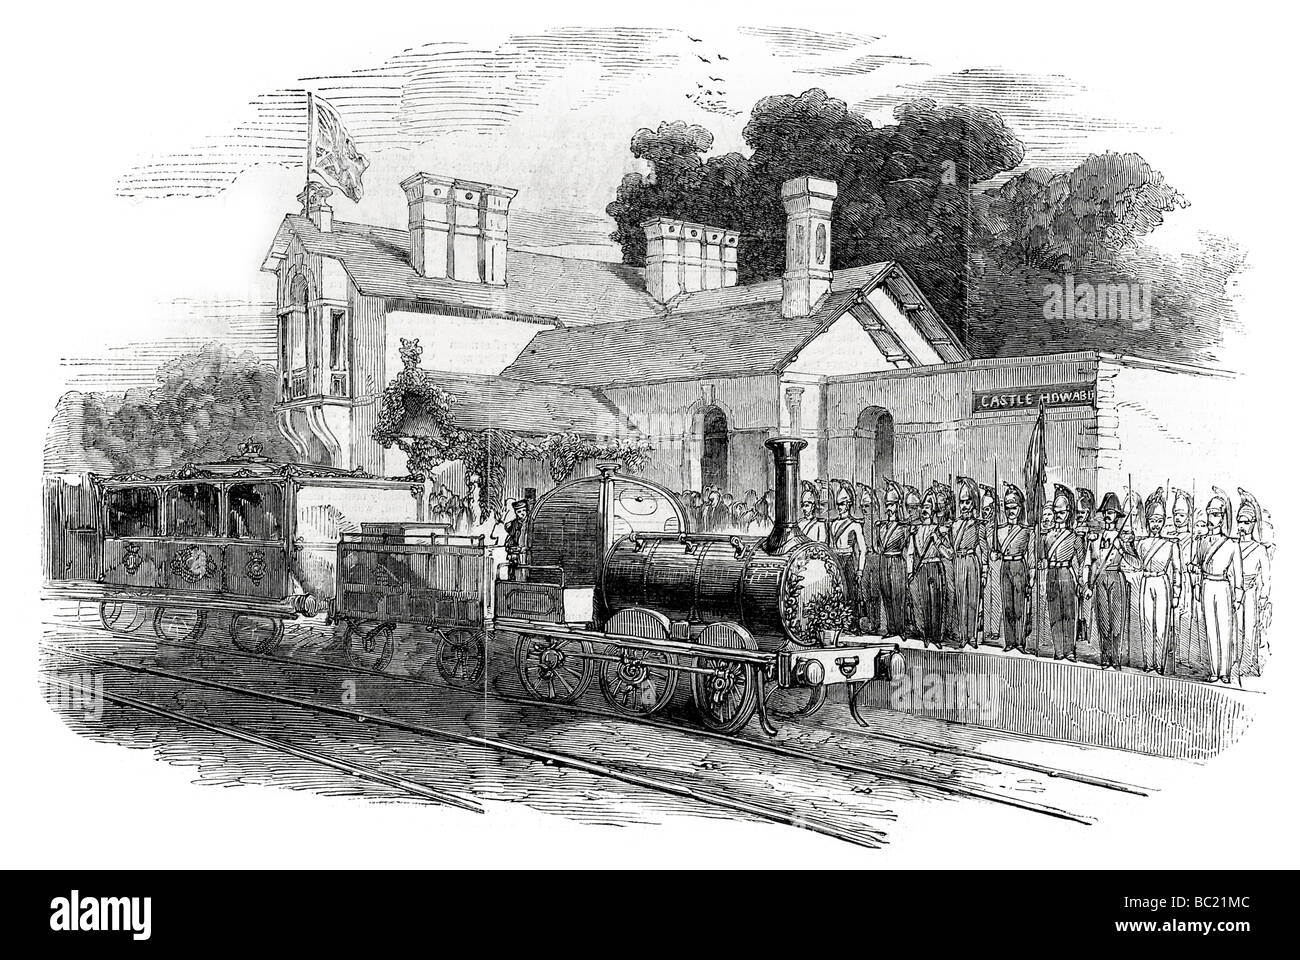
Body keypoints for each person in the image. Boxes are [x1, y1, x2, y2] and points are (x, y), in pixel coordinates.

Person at [1191, 488, 1244, 684]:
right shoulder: (1201, 542)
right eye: (1209, 513)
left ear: (1222, 518)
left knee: (1225, 630)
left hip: (1223, 586)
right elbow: (1196, 566)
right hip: (1206, 585)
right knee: (1211, 630)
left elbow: (1237, 574)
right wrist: (1196, 582)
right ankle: (1214, 670)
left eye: (1215, 514)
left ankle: (1225, 672)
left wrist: (1238, 595)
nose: (1211, 518)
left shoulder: (1231, 544)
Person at [1132, 488, 1182, 675]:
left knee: (1161, 625)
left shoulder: (1171, 544)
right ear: (1147, 520)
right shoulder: (1141, 543)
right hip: (1146, 582)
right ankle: (1149, 662)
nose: (1156, 524)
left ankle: (1159, 664)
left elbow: (1177, 571)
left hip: (1162, 582)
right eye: (1153, 520)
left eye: (1159, 520)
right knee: (1146, 623)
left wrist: (1176, 593)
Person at [1040, 485, 1089, 662]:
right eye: (1055, 512)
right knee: (1054, 614)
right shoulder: (1047, 536)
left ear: (1068, 513)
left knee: (1069, 613)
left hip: (1067, 574)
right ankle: (1059, 650)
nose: (1058, 515)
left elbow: (1081, 562)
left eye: (1061, 512)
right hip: (1051, 574)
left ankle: (1069, 651)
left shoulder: (1074, 536)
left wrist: (1082, 582)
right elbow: (1042, 558)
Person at [1088, 491, 1136, 670]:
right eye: (1106, 512)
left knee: (1116, 621)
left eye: (1112, 512)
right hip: (1100, 578)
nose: (1108, 516)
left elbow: (1135, 562)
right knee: (1103, 620)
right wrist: (1089, 584)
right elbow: (1092, 562)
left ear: (1117, 516)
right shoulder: (1095, 538)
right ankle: (1105, 657)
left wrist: (1123, 547)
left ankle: (1115, 658)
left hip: (1116, 577)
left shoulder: (1122, 537)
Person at [910, 482, 954, 648]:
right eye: (923, 506)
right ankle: (926, 636)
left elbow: (949, 553)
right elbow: (910, 552)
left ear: (934, 509)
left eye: (928, 506)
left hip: (936, 567)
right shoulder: (916, 530)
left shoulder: (940, 529)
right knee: (923, 603)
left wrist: (937, 540)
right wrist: (909, 572)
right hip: (922, 568)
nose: (924, 510)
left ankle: (937, 637)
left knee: (937, 603)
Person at [1235, 489, 1271, 678]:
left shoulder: (1259, 549)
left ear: (1253, 524)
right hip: (1233, 591)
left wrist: (1263, 596)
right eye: (1239, 522)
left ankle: (1246, 664)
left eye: (1246, 522)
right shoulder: (1232, 545)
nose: (1242, 526)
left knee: (1249, 628)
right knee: (1234, 628)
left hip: (1250, 592)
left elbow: (1266, 577)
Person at [993, 483, 1031, 653]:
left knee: (1019, 606)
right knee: (1007, 605)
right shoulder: (999, 530)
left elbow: (1030, 555)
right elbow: (995, 551)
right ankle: (1009, 641)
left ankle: (1020, 642)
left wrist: (1031, 575)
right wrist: (995, 554)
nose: (1010, 511)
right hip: (1005, 566)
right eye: (1007, 508)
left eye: (1014, 507)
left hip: (1019, 566)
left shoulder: (1025, 531)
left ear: (1020, 508)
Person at [951, 477, 987, 649]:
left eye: (968, 502)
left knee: (973, 599)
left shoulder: (979, 525)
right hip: (959, 561)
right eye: (962, 502)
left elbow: (984, 549)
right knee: (961, 601)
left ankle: (972, 636)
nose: (964, 506)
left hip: (972, 561)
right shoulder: (955, 525)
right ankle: (963, 635)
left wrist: (985, 570)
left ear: (974, 503)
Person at [829, 480, 868, 630]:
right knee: (836, 591)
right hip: (836, 560)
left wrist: (860, 570)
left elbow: (862, 549)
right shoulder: (832, 524)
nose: (839, 507)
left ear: (848, 504)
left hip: (848, 561)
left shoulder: (855, 525)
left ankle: (851, 625)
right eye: (838, 504)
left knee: (850, 593)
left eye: (842, 504)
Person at [878, 481, 911, 637]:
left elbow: (907, 548)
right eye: (887, 505)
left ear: (898, 505)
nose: (888, 509)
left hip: (897, 561)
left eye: (891, 505)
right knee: (887, 594)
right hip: (884, 561)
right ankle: (891, 629)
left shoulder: (904, 527)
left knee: (898, 595)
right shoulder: (881, 527)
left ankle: (900, 629)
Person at [504, 498, 530, 579]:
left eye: (524, 510)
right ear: (515, 512)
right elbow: (510, 540)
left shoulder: (530, 523)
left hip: (527, 554)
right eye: (519, 511)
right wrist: (511, 548)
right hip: (516, 555)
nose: (522, 513)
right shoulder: (513, 524)